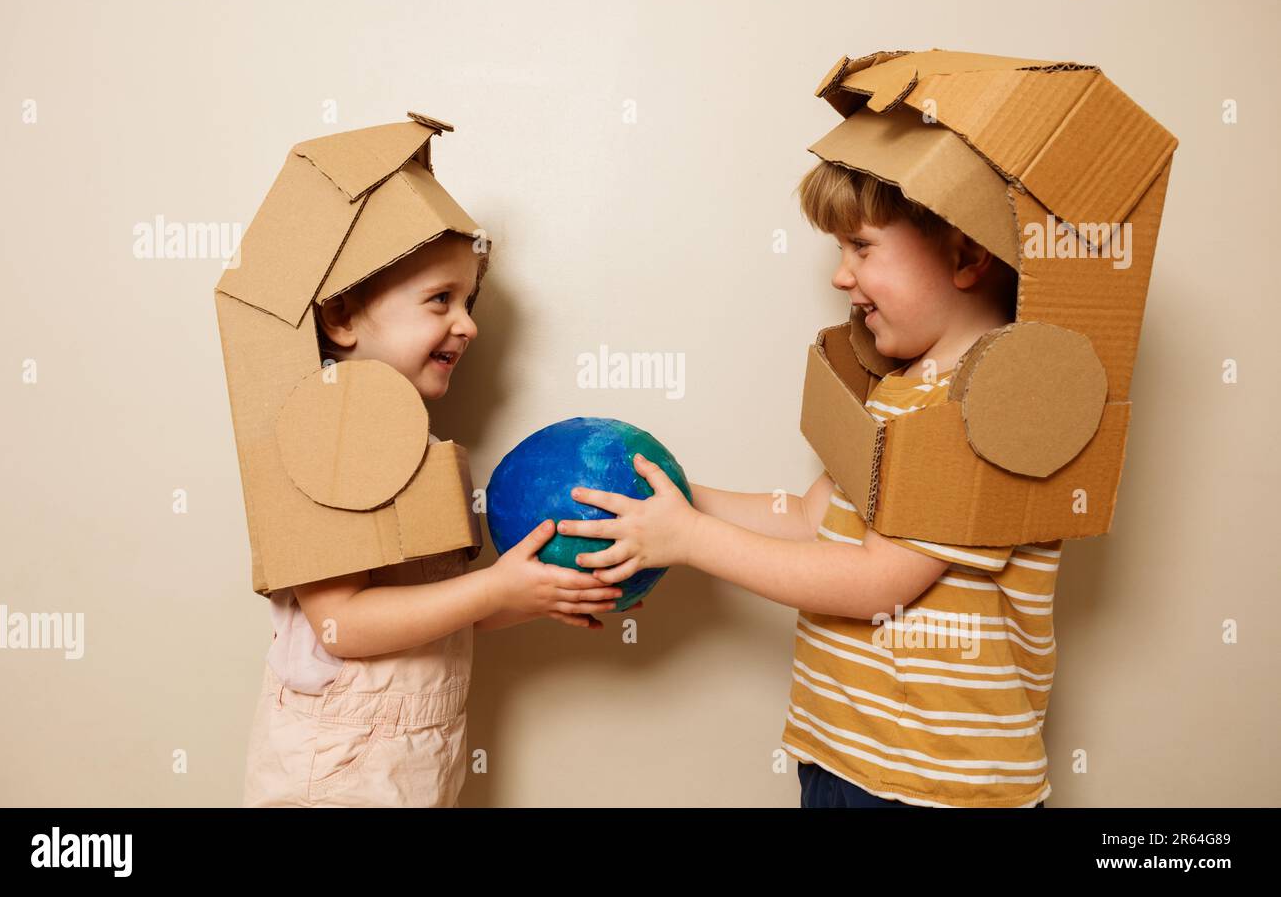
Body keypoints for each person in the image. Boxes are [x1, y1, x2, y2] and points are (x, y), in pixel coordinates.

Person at [558, 164, 1058, 808]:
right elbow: (808, 517)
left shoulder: (988, 405)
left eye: (862, 246)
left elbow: (880, 581)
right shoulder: (901, 393)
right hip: (848, 758)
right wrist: (674, 497)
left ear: (965, 255)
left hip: (938, 783)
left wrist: (690, 539)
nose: (840, 274)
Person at [242, 232, 627, 807]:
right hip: (340, 764)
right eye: (440, 299)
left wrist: (539, 595)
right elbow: (341, 625)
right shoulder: (330, 440)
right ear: (343, 316)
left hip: (414, 757)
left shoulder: (414, 448)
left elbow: (429, 614)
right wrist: (496, 584)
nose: (468, 324)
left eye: (468, 303)